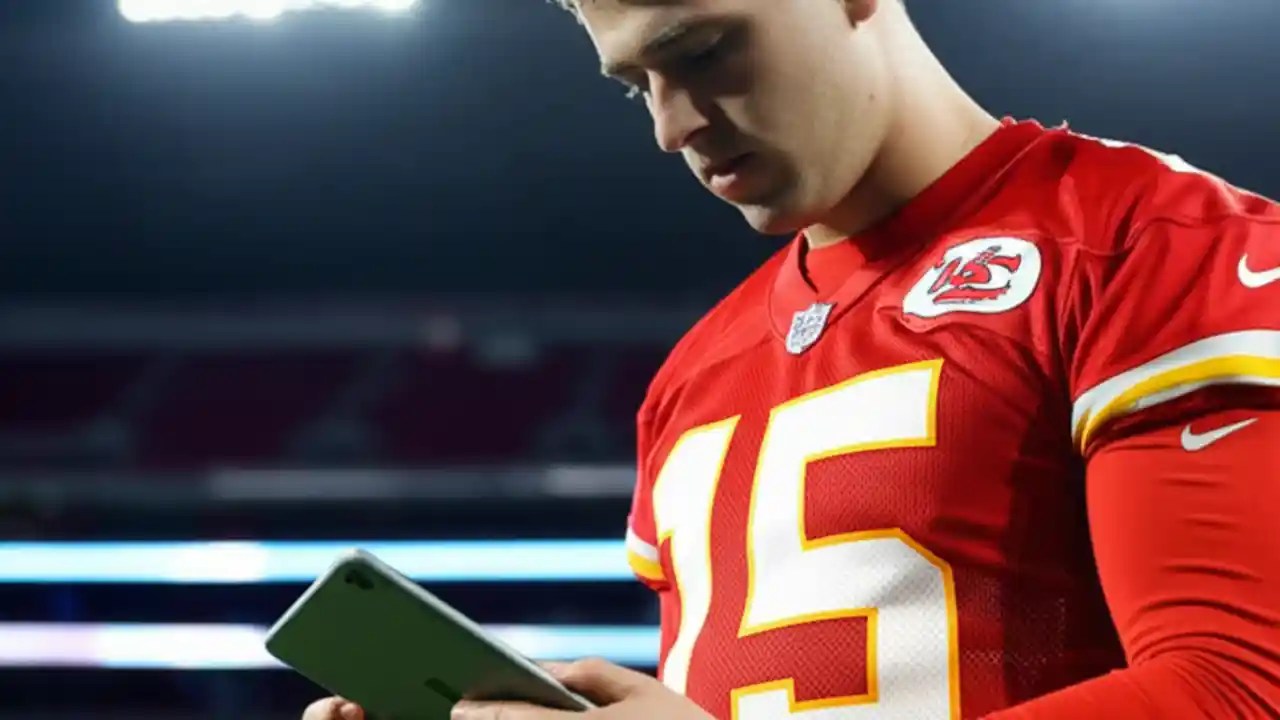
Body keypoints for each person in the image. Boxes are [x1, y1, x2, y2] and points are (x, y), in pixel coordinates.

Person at [304, 0, 1280, 718]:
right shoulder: (695, 372)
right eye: (635, 83)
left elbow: (1235, 691)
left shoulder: (1155, 245)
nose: (669, 124)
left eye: (699, 51)